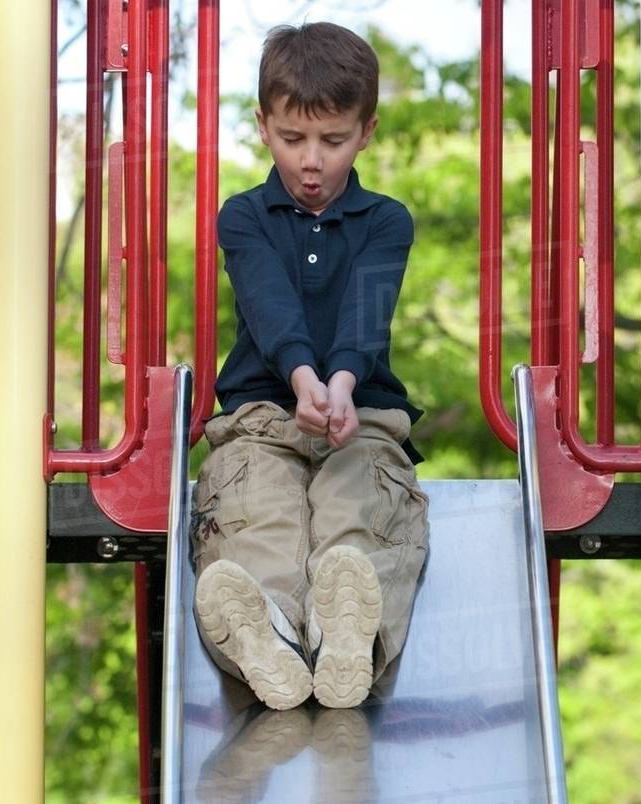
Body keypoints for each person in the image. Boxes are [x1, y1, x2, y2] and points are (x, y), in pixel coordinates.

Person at [191, 21, 429, 710]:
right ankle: (267, 630)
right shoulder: (243, 217)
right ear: (264, 126)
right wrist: (303, 379)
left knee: (359, 510)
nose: (312, 161)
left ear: (367, 132)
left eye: (333, 140)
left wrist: (343, 386)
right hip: (263, 417)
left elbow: (367, 313)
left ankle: (345, 631)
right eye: (294, 139)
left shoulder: (387, 221)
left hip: (363, 417)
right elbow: (270, 307)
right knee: (254, 512)